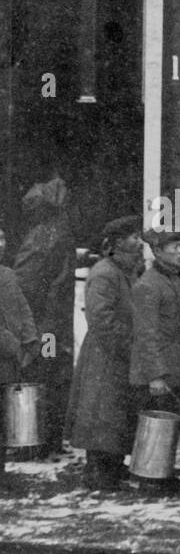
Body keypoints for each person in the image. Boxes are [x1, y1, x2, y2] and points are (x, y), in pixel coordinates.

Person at [66, 216, 142, 491]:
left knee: (116, 414)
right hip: (104, 356)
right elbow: (101, 319)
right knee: (101, 414)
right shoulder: (104, 272)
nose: (139, 240)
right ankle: (98, 471)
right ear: (119, 242)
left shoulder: (125, 271)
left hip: (118, 354)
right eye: (133, 236)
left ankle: (112, 465)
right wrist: (129, 346)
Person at [12, 176, 75, 455]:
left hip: (43, 326)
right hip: (54, 325)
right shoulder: (59, 231)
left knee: (41, 372)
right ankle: (48, 438)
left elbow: (26, 281)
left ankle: (35, 438)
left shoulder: (42, 235)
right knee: (53, 372)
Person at [129, 231, 180, 489]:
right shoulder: (148, 285)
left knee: (169, 422)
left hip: (175, 368)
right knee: (156, 426)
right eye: (174, 247)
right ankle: (149, 479)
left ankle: (161, 475)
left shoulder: (174, 282)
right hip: (158, 373)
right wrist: (155, 376)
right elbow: (146, 335)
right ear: (157, 252)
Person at [0, 236, 40, 490]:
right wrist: (14, 345)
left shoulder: (7, 275)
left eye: (3, 238)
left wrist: (31, 339)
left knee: (4, 418)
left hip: (7, 362)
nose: (1, 244)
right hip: (6, 352)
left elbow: (23, 309)